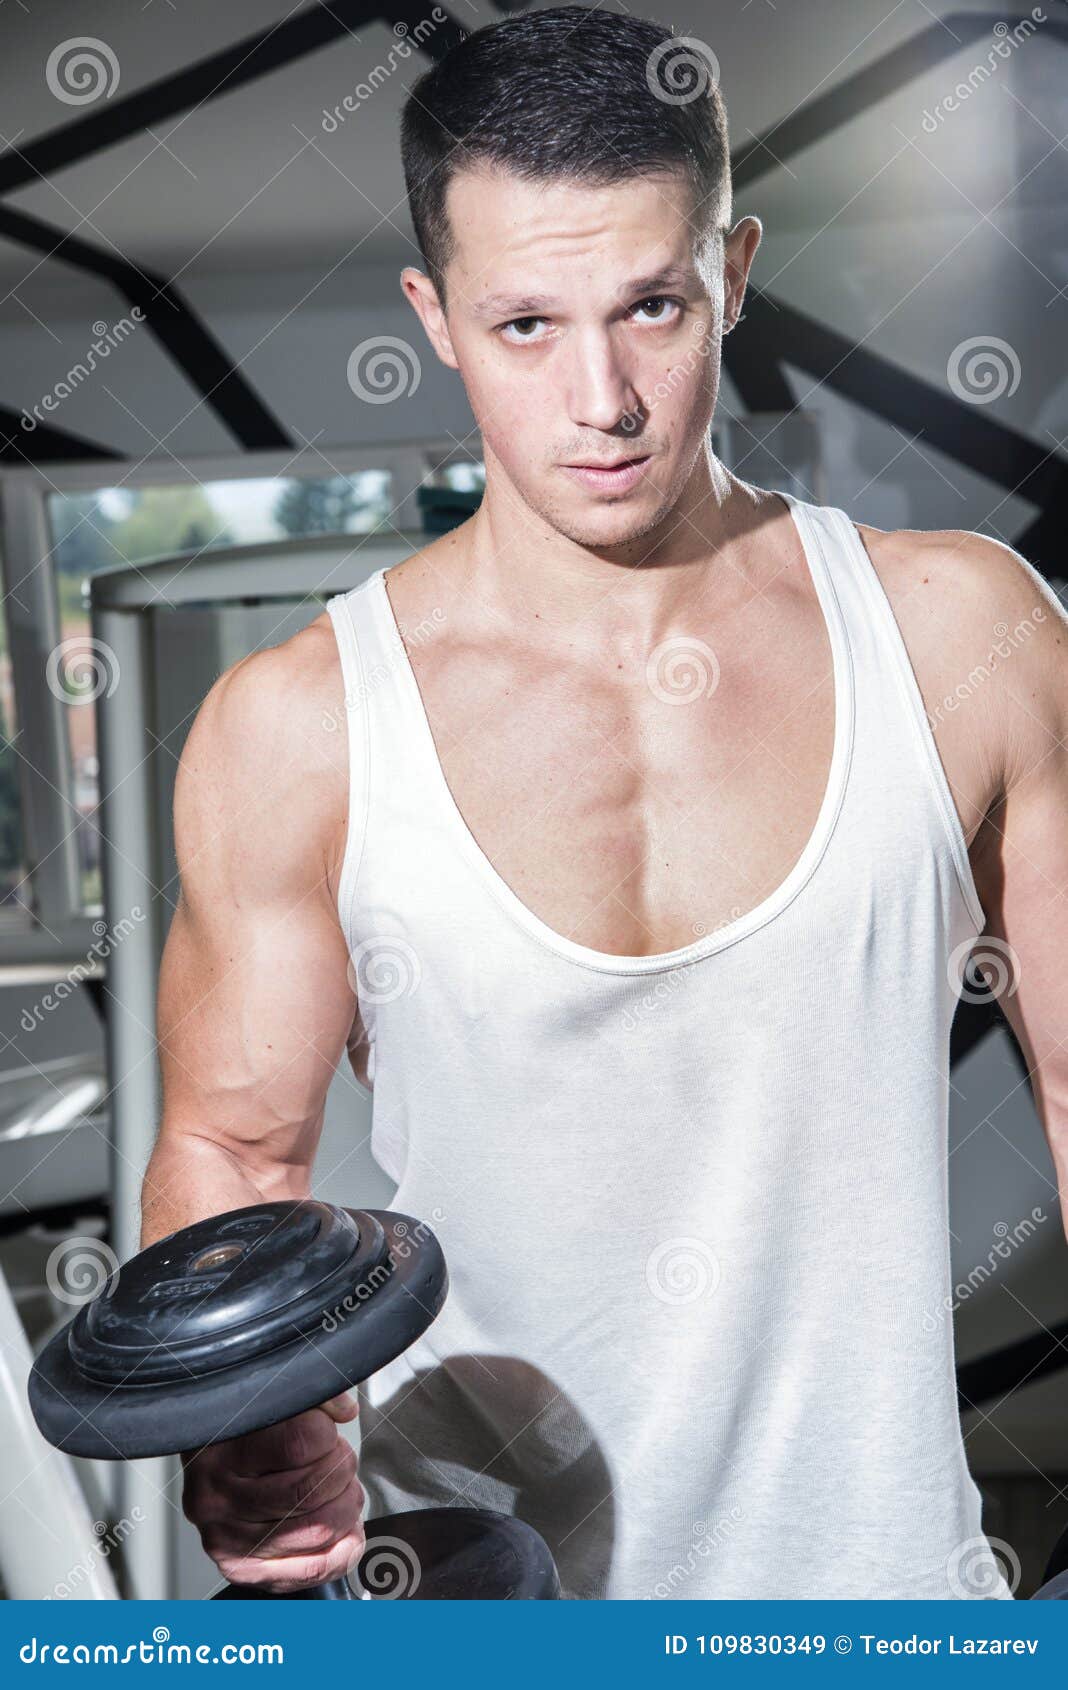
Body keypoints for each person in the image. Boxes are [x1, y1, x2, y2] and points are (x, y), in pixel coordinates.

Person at [147, 6, 1067, 1599]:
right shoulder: (300, 725)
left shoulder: (963, 634)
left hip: (888, 1598)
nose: (604, 401)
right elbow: (232, 1149)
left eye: (653, 305)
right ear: (432, 317)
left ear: (737, 270)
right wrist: (252, 1421)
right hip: (485, 1604)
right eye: (525, 326)